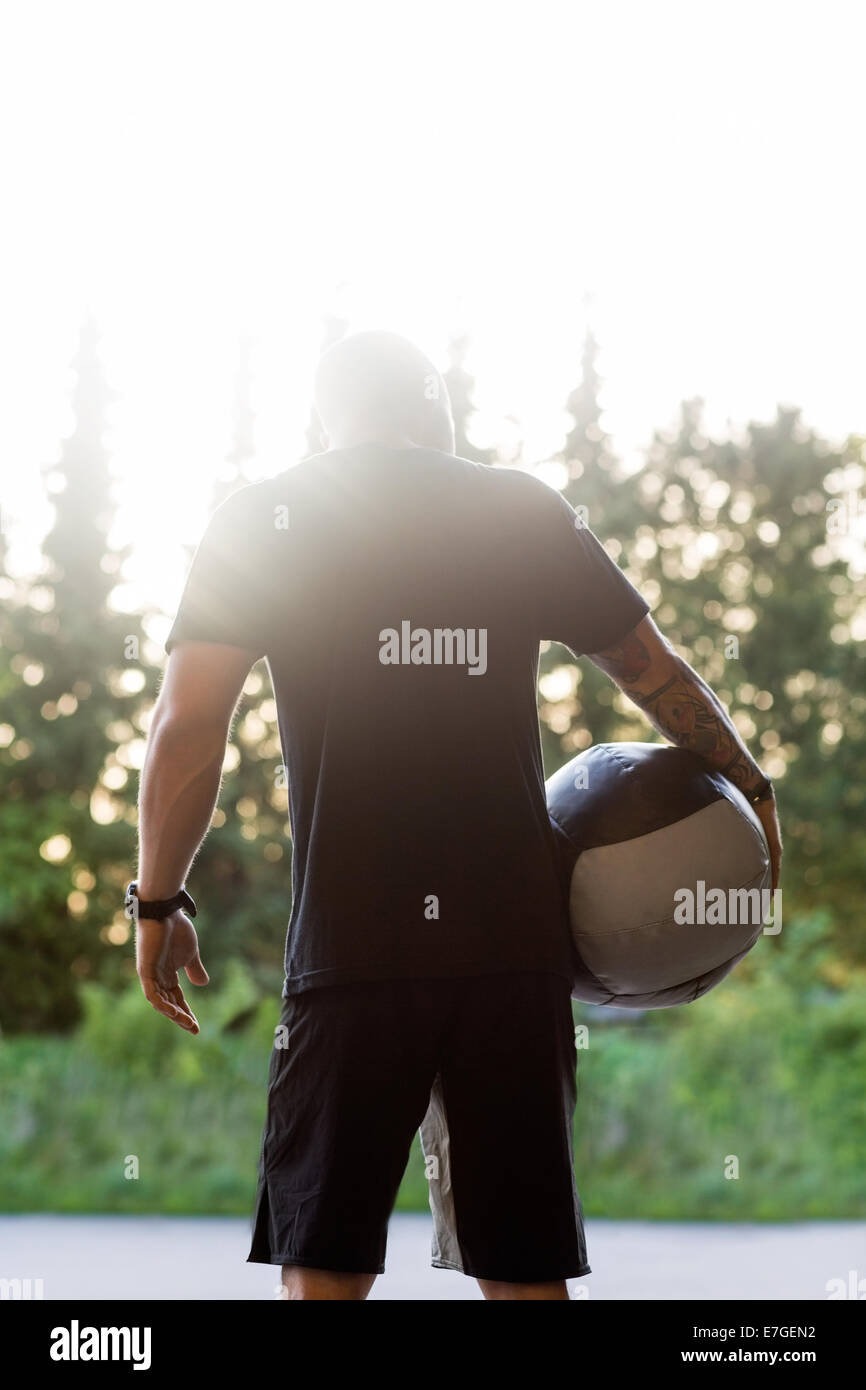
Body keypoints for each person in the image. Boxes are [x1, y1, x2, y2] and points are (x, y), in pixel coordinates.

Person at [132, 330, 782, 1301]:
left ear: (322, 422)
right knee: (522, 1271)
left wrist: (157, 901)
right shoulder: (517, 509)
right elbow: (655, 674)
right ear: (437, 413)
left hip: (350, 947)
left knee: (325, 1270)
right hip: (509, 951)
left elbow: (187, 728)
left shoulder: (264, 516)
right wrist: (753, 795)